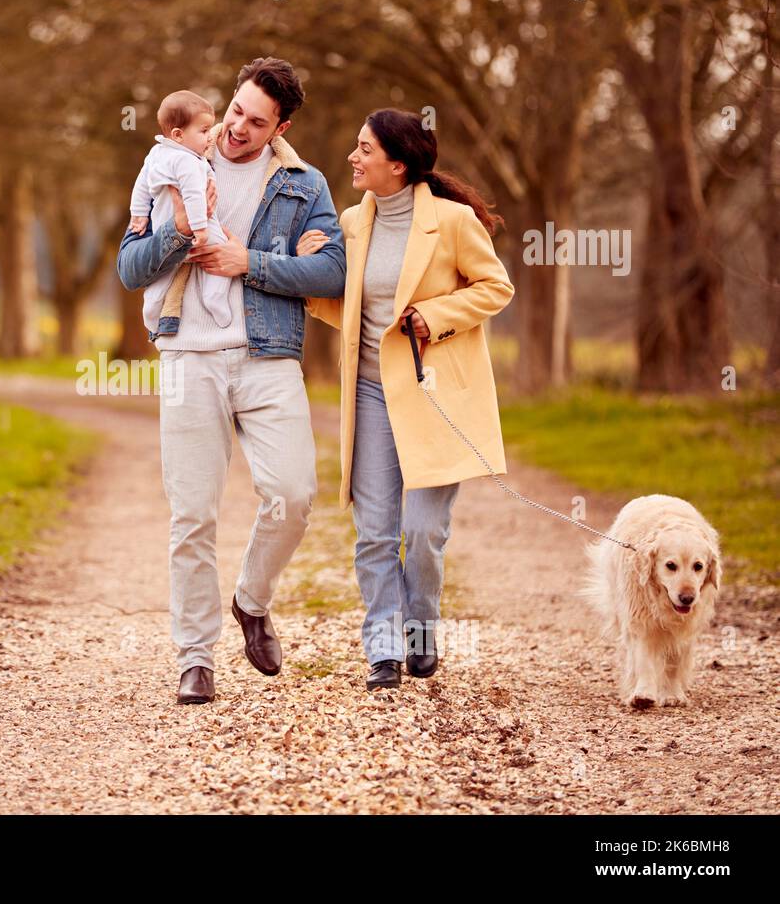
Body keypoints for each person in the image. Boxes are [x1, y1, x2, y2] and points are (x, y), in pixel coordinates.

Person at [117, 57, 346, 705]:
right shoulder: (173, 162)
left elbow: (332, 271)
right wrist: (177, 232)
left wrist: (252, 262)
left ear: (282, 126)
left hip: (268, 353)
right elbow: (130, 269)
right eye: (235, 112)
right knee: (192, 514)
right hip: (188, 356)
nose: (238, 129)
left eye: (256, 121)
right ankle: (195, 658)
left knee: (294, 495)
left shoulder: (305, 184)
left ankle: (251, 599)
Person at [302, 108, 515, 691]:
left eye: (364, 148)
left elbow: (496, 286)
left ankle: (421, 630)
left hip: (432, 394)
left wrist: (435, 317)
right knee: (374, 531)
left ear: (397, 165)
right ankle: (383, 650)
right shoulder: (351, 221)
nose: (353, 156)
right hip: (369, 393)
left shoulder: (451, 222)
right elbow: (344, 304)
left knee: (422, 532)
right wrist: (308, 269)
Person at [128, 90, 233, 333]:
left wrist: (139, 214)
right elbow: (194, 196)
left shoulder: (156, 154)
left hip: (164, 231)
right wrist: (200, 229)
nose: (210, 137)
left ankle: (151, 309)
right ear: (178, 134)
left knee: (164, 273)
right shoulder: (187, 161)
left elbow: (141, 184)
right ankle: (214, 297)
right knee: (222, 251)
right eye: (204, 131)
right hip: (197, 226)